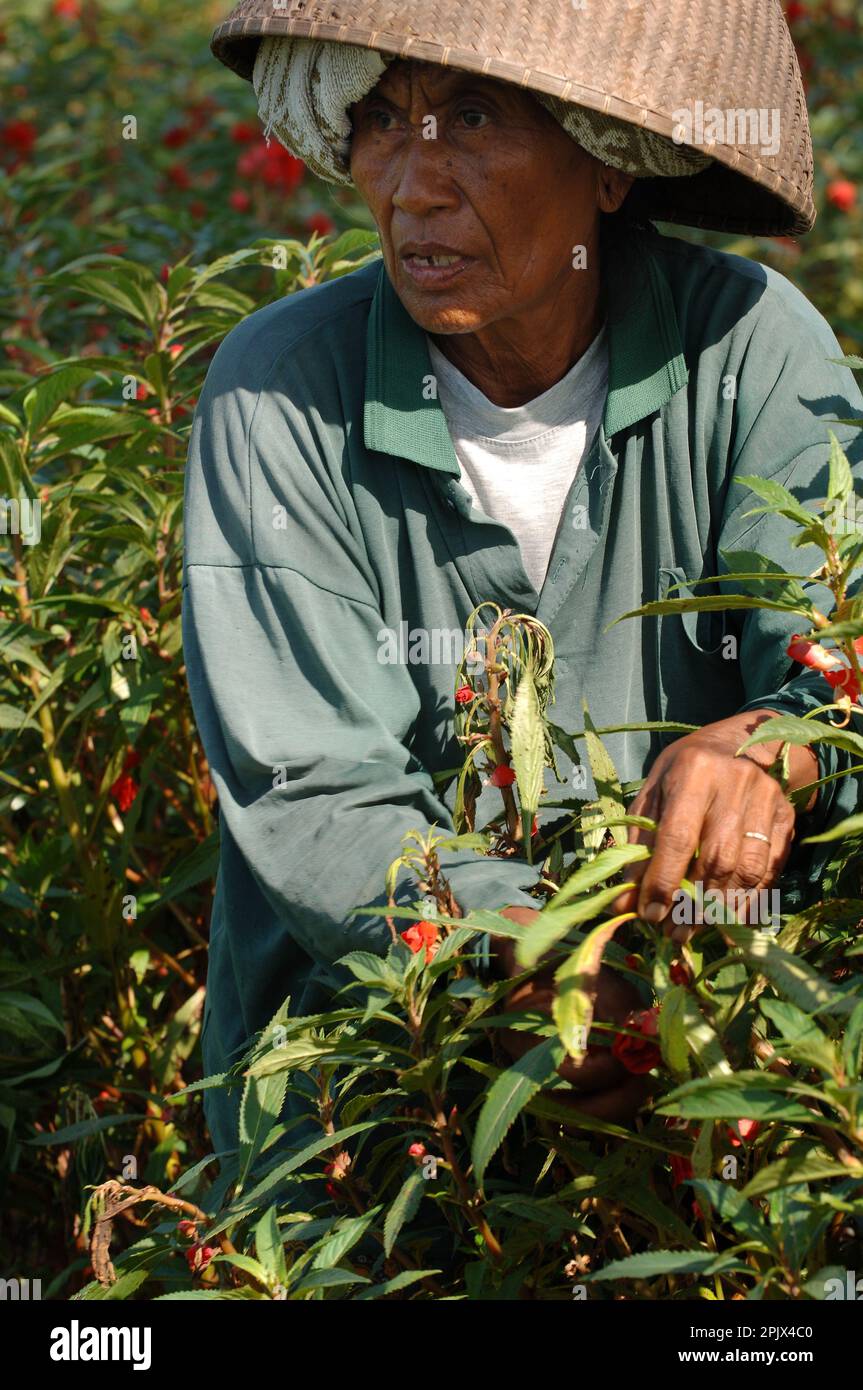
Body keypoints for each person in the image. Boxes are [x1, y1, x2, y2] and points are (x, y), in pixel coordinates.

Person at [184, 0, 863, 1155]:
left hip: (712, 1086)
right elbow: (314, 791)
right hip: (382, 1111)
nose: (413, 183)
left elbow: (833, 670)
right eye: (386, 121)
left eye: (474, 116)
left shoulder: (751, 351)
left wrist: (767, 752)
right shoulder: (277, 391)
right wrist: (524, 950)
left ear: (608, 162)